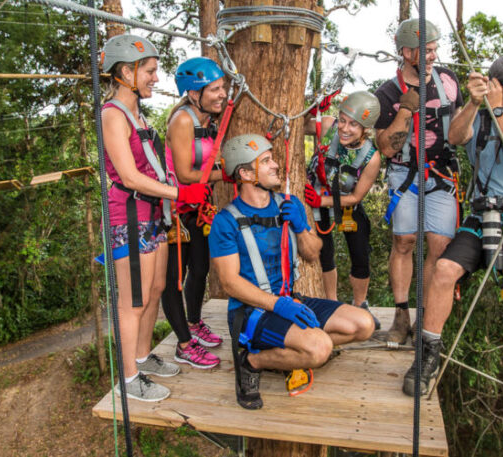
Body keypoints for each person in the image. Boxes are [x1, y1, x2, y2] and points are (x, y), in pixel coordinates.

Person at [403, 55, 503, 411]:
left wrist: (499, 110)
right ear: (499, 86)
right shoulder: (482, 116)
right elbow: (455, 137)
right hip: (483, 215)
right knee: (443, 271)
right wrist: (475, 103)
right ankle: (427, 354)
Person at [209, 134, 376, 409]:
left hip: (290, 299)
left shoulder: (289, 204)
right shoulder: (225, 222)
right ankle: (251, 362)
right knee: (319, 348)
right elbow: (229, 283)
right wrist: (278, 305)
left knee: (364, 324)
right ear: (245, 173)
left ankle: (294, 352)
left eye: (273, 158)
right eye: (266, 161)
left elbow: (312, 253)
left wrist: (300, 227)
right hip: (252, 312)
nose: (275, 165)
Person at [100, 35, 211, 401]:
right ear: (126, 72)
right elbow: (129, 176)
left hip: (153, 215)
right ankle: (128, 380)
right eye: (149, 71)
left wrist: (174, 195)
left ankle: (142, 357)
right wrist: (181, 193)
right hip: (128, 218)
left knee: (155, 290)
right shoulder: (112, 115)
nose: (155, 79)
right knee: (132, 300)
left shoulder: (136, 114)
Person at [373, 18, 477, 344]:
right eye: (424, 50)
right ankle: (401, 314)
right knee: (404, 241)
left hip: (441, 172)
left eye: (434, 50)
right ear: (406, 52)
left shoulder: (448, 81)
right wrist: (407, 108)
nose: (432, 56)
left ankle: (426, 315)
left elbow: (459, 131)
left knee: (439, 246)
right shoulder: (388, 92)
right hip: (405, 172)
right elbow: (387, 147)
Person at [160, 57, 230, 370]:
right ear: (193, 94)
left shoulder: (209, 121)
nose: (222, 93)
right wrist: (227, 173)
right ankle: (183, 345)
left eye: (223, 87)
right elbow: (186, 174)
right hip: (176, 211)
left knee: (200, 269)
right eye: (214, 89)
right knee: (175, 278)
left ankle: (194, 321)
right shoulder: (183, 121)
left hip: (198, 209)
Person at [302, 91, 384, 328]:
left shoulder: (371, 157)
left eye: (354, 125)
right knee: (324, 252)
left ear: (365, 129)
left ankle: (360, 304)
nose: (345, 129)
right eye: (344, 120)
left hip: (345, 202)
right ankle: (331, 303)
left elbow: (357, 196)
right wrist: (313, 109)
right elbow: (300, 125)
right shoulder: (328, 126)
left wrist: (323, 201)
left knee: (360, 252)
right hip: (317, 195)